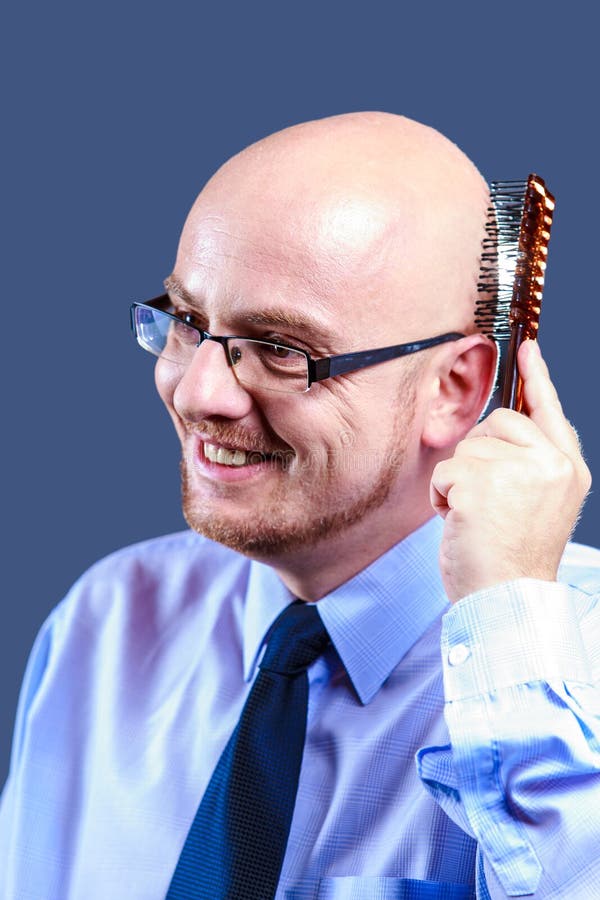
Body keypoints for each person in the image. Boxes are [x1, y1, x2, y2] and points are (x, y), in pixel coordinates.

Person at [0, 111, 597, 899]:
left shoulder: (573, 676)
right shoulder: (105, 626)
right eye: (186, 323)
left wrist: (508, 631)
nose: (200, 392)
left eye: (283, 350)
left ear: (453, 389)